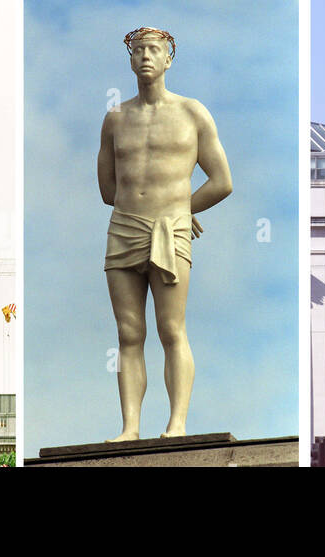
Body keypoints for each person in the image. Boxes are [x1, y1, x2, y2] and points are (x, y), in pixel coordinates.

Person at [98, 27, 232, 441]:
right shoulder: (115, 117)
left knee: (171, 328)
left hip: (170, 229)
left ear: (169, 58)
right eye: (138, 51)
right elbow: (107, 189)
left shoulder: (193, 112)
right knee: (128, 332)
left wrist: (180, 208)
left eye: (154, 50)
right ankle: (130, 427)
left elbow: (222, 180)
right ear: (130, 59)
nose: (145, 57)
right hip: (125, 226)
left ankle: (176, 424)